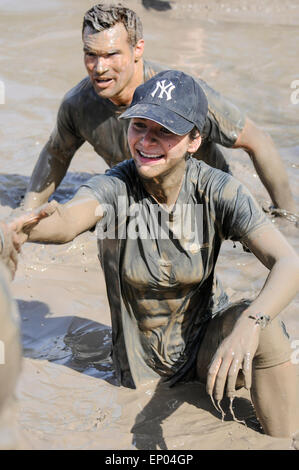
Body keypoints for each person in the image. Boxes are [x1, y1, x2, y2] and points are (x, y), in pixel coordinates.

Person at [13, 70, 299, 438]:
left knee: (267, 326)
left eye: (164, 130)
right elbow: (69, 220)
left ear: (194, 140)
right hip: (139, 367)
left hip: (204, 350)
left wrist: (250, 324)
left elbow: (289, 261)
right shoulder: (116, 187)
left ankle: (282, 441)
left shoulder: (216, 190)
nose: (147, 141)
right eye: (139, 126)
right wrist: (27, 226)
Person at [23, 3, 296, 217]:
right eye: (90, 54)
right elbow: (56, 152)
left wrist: (287, 216)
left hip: (207, 204)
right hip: (146, 207)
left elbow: (258, 142)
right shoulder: (78, 104)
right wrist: (26, 212)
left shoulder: (183, 94)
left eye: (111, 55)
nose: (99, 68)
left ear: (137, 48)